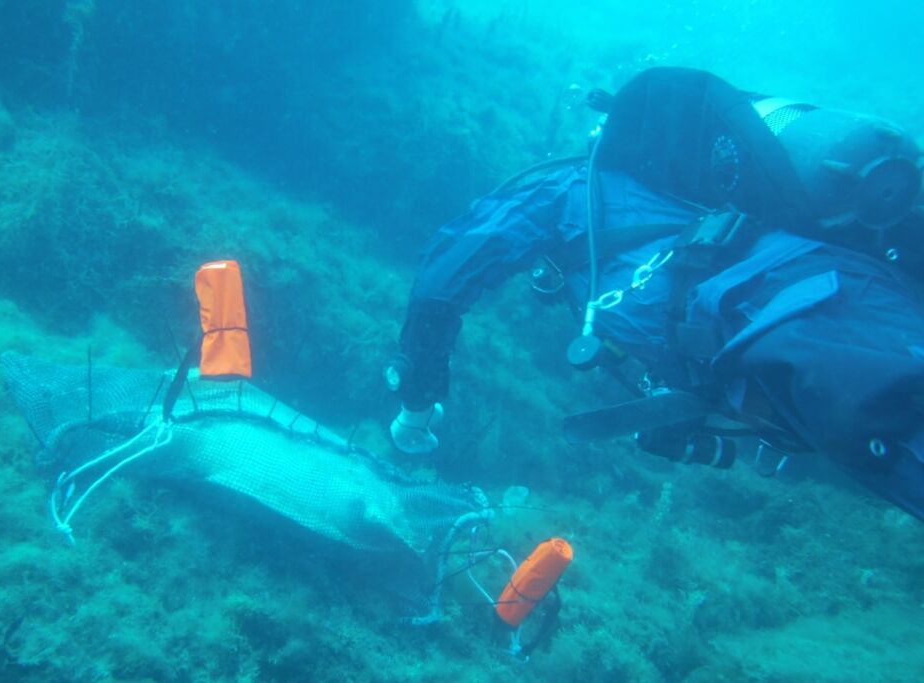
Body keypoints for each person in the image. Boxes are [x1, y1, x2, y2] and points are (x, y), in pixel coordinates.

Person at [385, 67, 924, 520]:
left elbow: (446, 273)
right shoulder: (711, 202)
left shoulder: (568, 188)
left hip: (779, 309)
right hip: (839, 297)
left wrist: (417, 400)